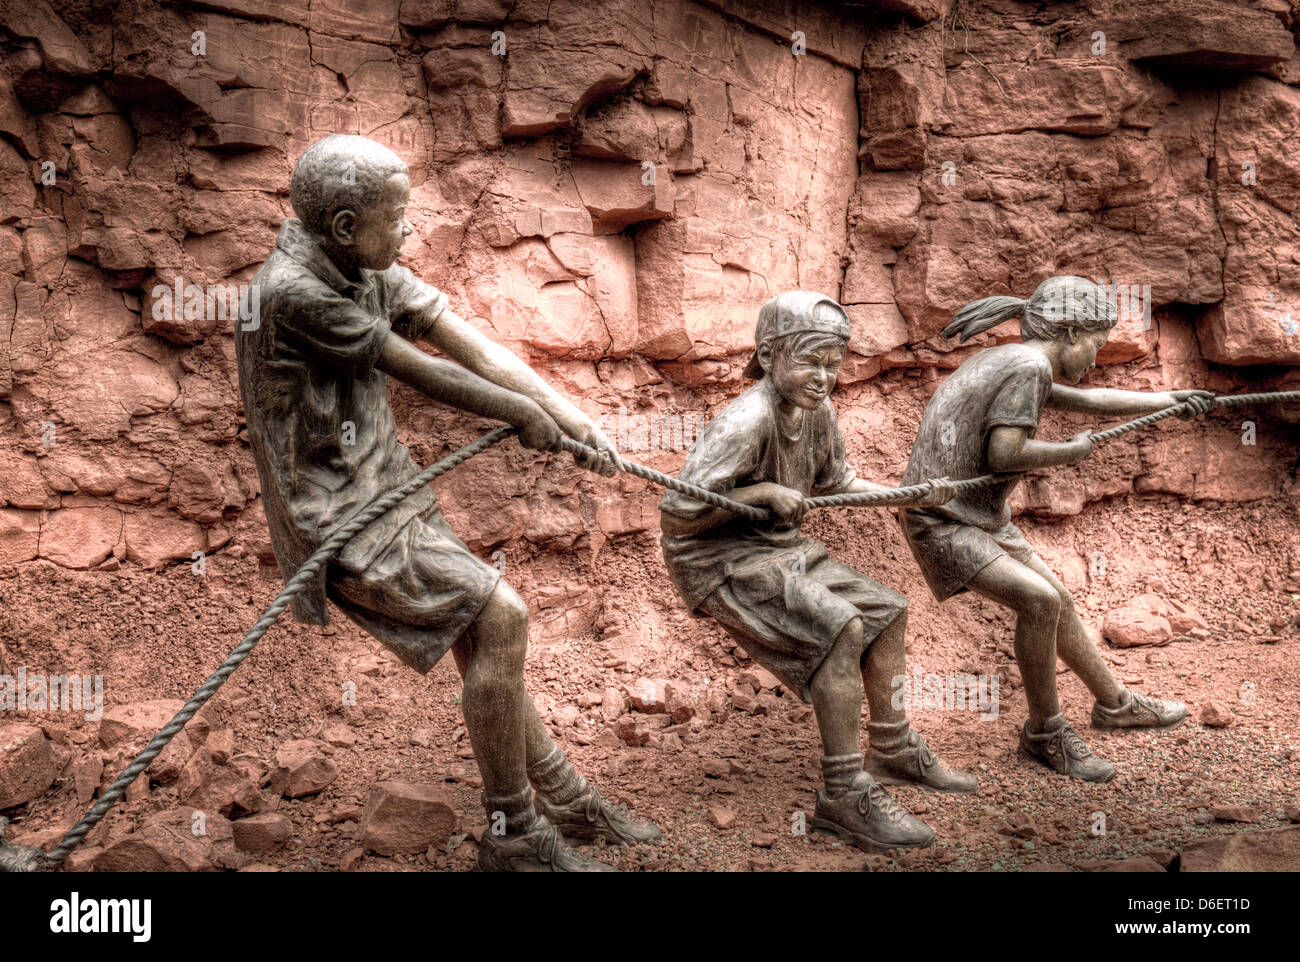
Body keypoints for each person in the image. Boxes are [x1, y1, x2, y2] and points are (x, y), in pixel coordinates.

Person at [237, 134, 659, 871]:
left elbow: (470, 348)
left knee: (480, 628)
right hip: (338, 516)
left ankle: (560, 796)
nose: (409, 231)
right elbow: (419, 371)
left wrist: (570, 415)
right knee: (502, 617)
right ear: (343, 226)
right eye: (397, 217)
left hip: (384, 484)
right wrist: (524, 419)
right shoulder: (292, 292)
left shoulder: (358, 263)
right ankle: (515, 834)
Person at [659, 290, 977, 855]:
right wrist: (755, 491)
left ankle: (893, 749)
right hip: (720, 559)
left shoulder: (817, 411)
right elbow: (677, 515)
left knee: (886, 611)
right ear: (767, 354)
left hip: (782, 548)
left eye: (833, 363)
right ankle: (842, 794)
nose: (824, 377)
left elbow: (839, 484)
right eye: (811, 361)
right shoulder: (744, 421)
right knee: (841, 627)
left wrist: (911, 497)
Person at [898, 275, 1215, 782]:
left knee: (1058, 601)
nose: (1095, 355)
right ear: (1071, 333)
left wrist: (1168, 399)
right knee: (1040, 602)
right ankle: (1045, 734)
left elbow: (1089, 402)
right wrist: (1071, 452)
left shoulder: (1013, 360)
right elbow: (1006, 454)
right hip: (943, 521)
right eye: (1095, 343)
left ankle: (1115, 703)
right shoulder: (1025, 367)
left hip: (977, 518)